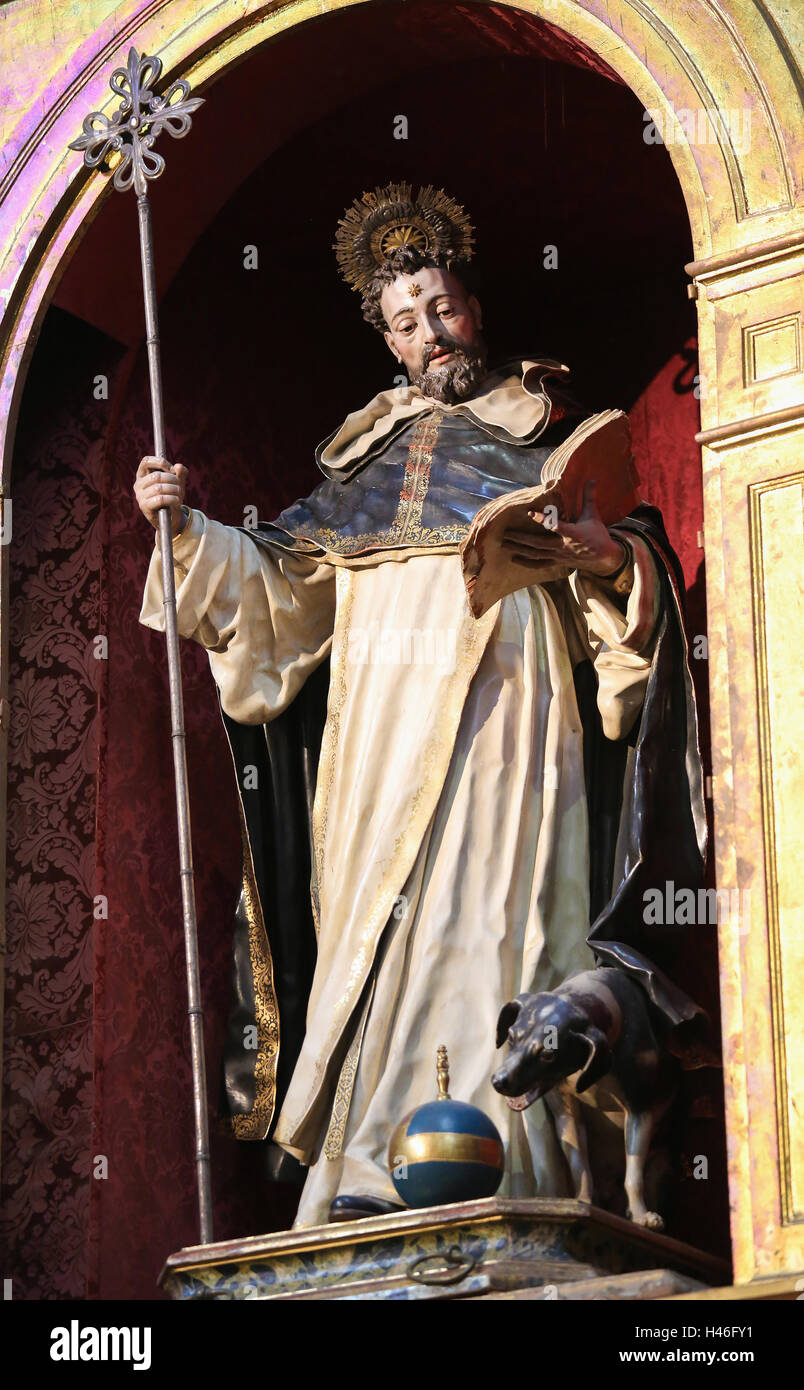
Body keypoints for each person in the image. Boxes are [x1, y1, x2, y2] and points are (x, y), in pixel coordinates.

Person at [136, 184, 706, 1229]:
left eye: (442, 309)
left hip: (512, 717)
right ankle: (368, 1170)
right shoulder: (359, 461)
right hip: (378, 740)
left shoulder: (543, 428)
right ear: (387, 339)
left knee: (502, 909)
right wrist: (187, 531)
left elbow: (633, 607)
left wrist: (608, 559)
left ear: (474, 308)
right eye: (406, 322)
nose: (430, 335)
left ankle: (522, 1173)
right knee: (379, 929)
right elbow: (277, 601)